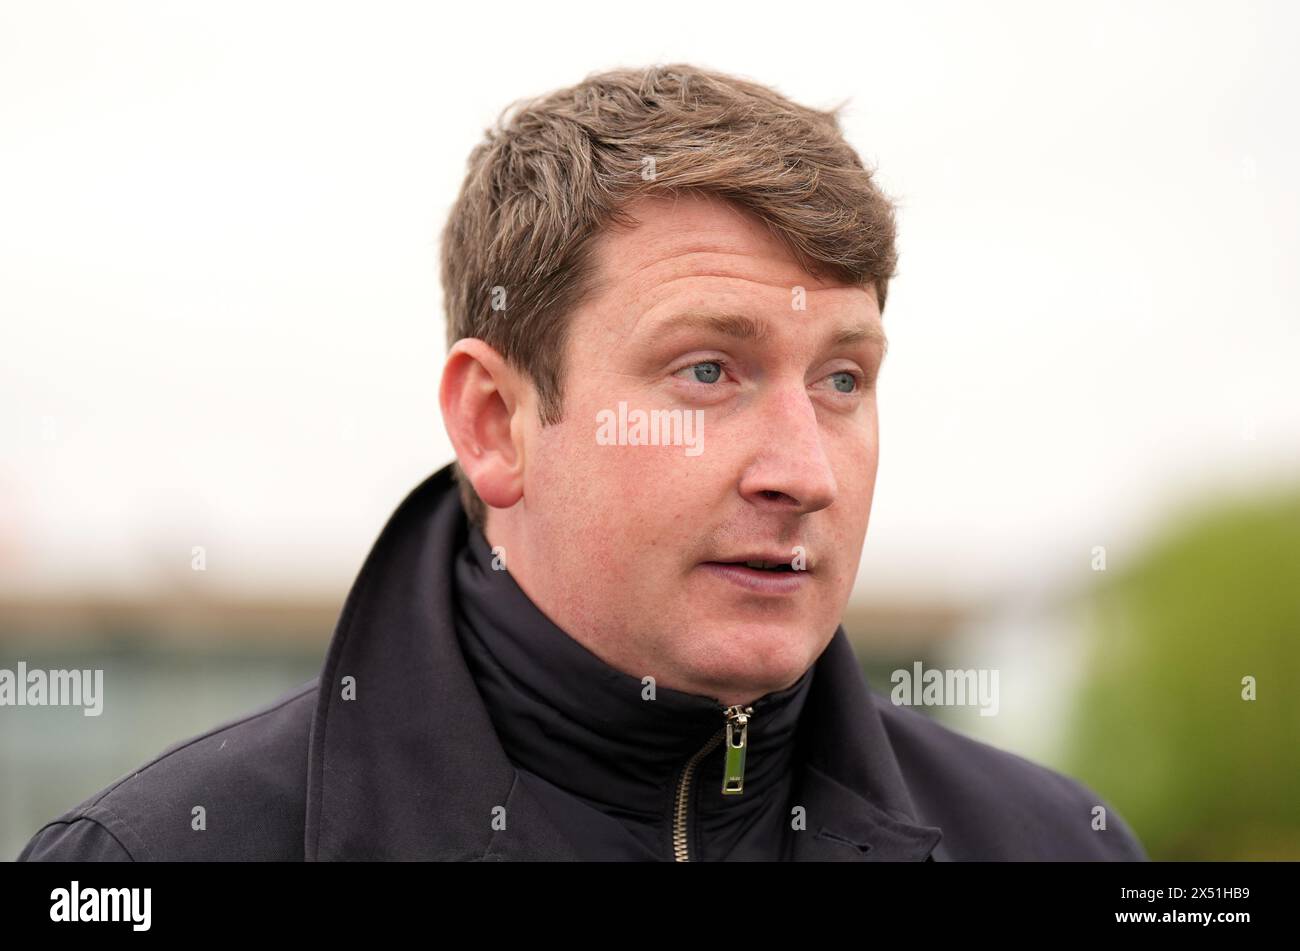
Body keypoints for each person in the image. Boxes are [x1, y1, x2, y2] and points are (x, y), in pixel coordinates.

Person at [18, 63, 1146, 862]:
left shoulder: (1057, 846)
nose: (804, 473)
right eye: (708, 372)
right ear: (497, 422)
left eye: (842, 380)